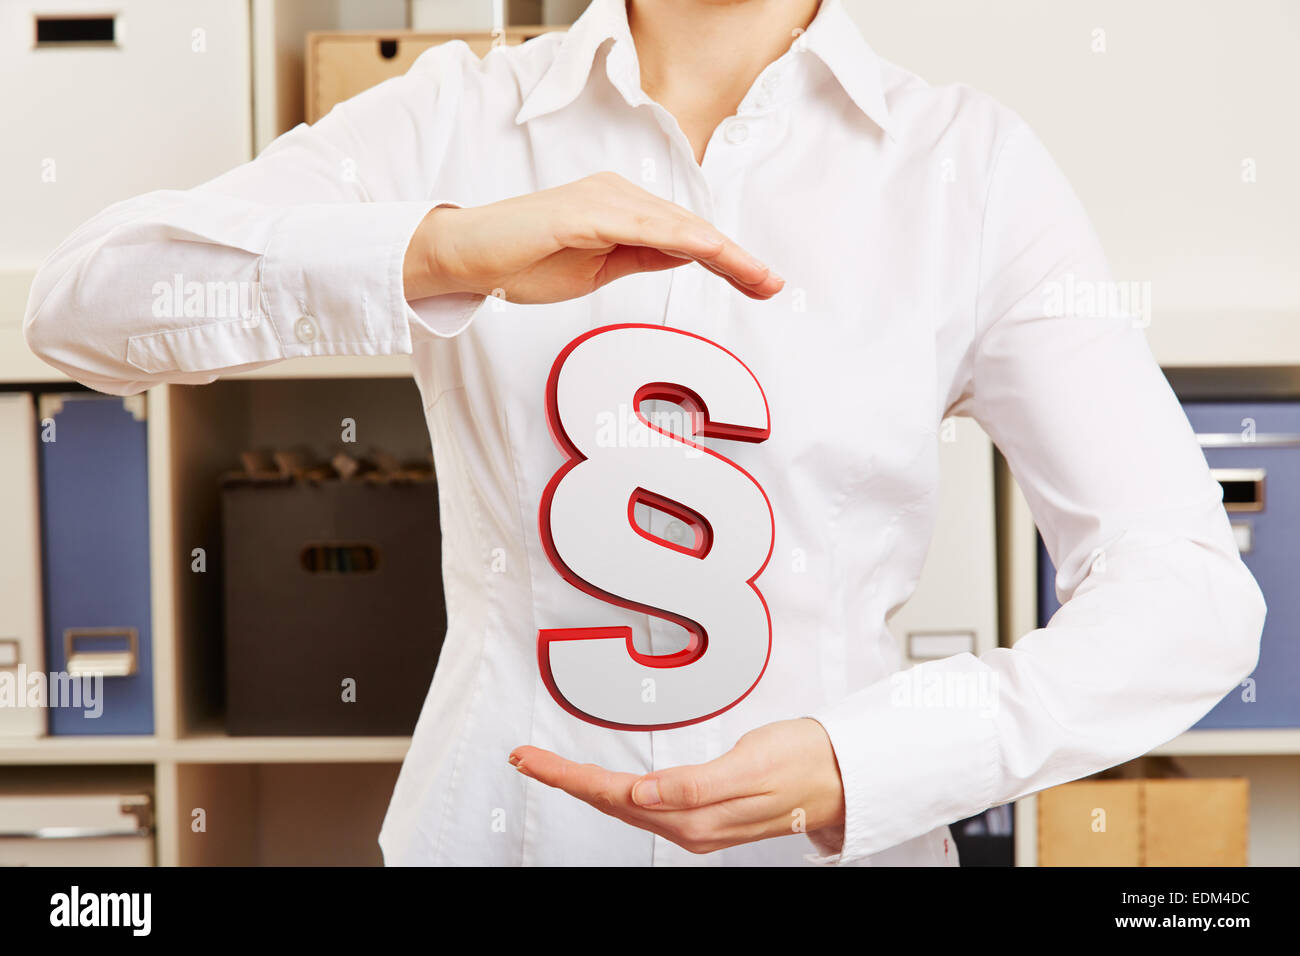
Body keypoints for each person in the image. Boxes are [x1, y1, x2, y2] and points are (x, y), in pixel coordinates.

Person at [24, 0, 1264, 866]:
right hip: (495, 845)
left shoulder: (965, 167)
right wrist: (443, 246)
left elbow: (1188, 594)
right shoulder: (459, 116)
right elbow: (83, 305)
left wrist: (871, 755)